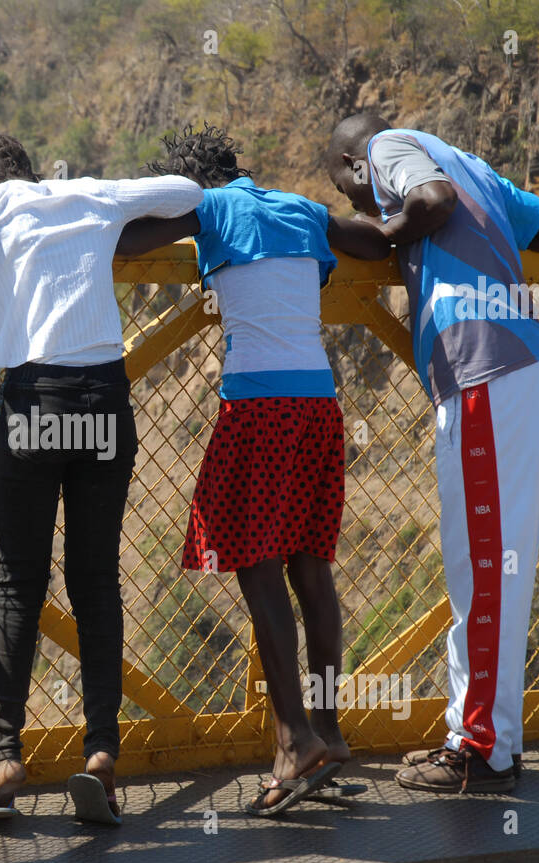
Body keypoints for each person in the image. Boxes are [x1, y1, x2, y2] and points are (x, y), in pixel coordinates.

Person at [0, 132, 203, 823]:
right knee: (98, 579)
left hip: (35, 407)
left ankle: (3, 760)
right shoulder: (90, 193)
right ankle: (102, 754)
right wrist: (111, 204)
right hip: (105, 404)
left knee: (21, 582)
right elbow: (189, 193)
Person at [117, 123, 389, 815]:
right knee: (309, 567)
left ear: (187, 183)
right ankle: (327, 729)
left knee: (257, 567)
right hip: (319, 405)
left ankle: (293, 740)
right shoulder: (300, 209)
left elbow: (121, 242)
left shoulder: (204, 209)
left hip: (257, 408)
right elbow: (374, 240)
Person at [324, 113, 539, 793]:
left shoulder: (387, 150)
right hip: (516, 362)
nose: (366, 202)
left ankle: (481, 749)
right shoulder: (472, 161)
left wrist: (386, 232)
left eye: (357, 194)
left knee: (486, 568)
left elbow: (429, 202)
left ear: (354, 165)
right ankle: (488, 737)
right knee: (489, 564)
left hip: (484, 372)